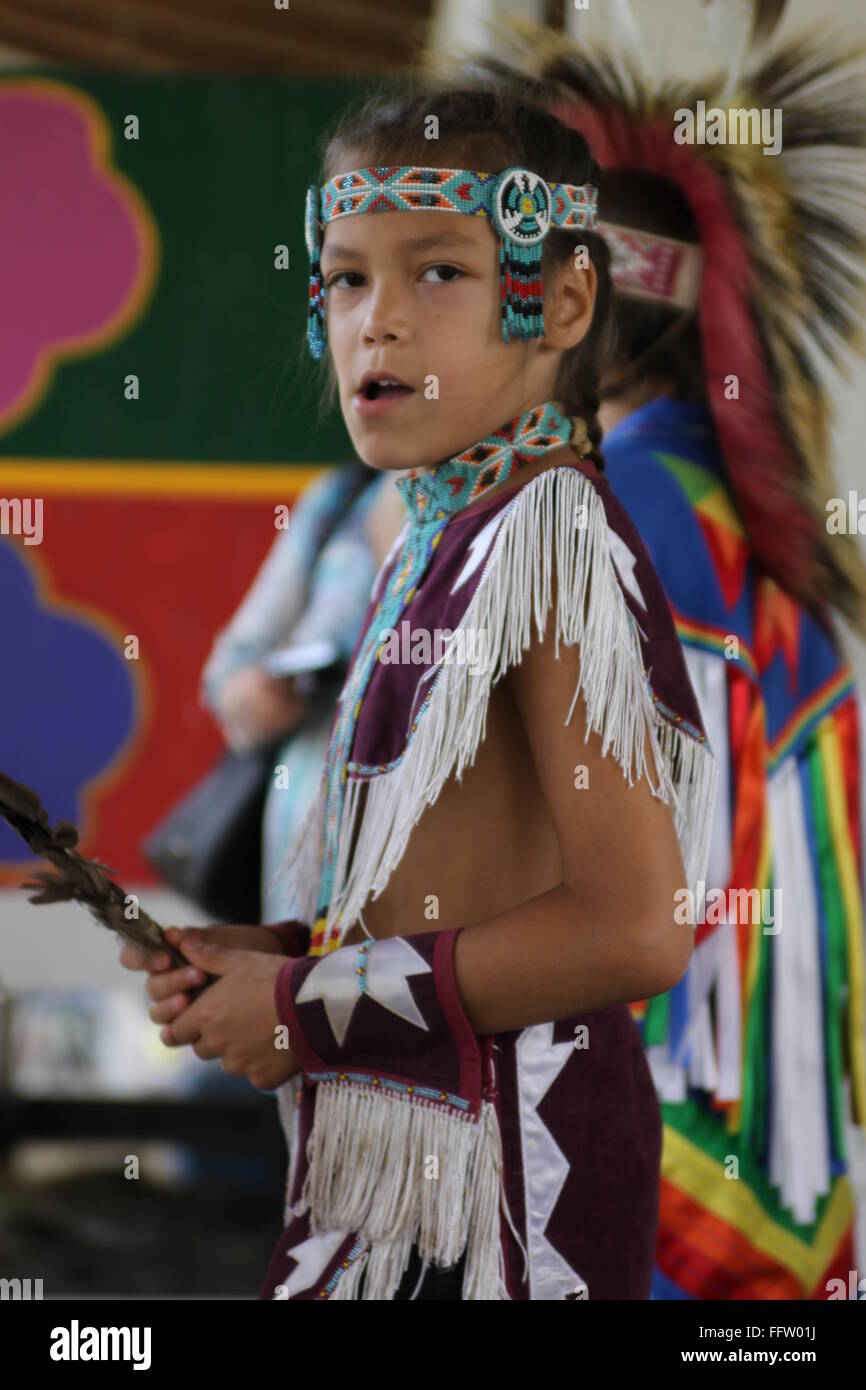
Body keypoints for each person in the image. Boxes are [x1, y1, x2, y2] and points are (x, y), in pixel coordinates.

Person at [119, 81, 718, 1300]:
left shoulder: (550, 539)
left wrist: (306, 1003)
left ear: (554, 301)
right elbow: (470, 883)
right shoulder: (431, 537)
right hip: (391, 1193)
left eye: (435, 271)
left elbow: (635, 926)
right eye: (344, 278)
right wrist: (278, 957)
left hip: (509, 1209)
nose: (374, 323)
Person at [479, 25, 866, 1299]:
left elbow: (629, 872)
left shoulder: (624, 508)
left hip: (659, 1097)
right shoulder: (741, 509)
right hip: (764, 1128)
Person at [199, 461, 397, 924]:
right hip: (303, 868)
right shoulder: (340, 499)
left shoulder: (517, 501)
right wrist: (258, 696)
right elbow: (231, 666)